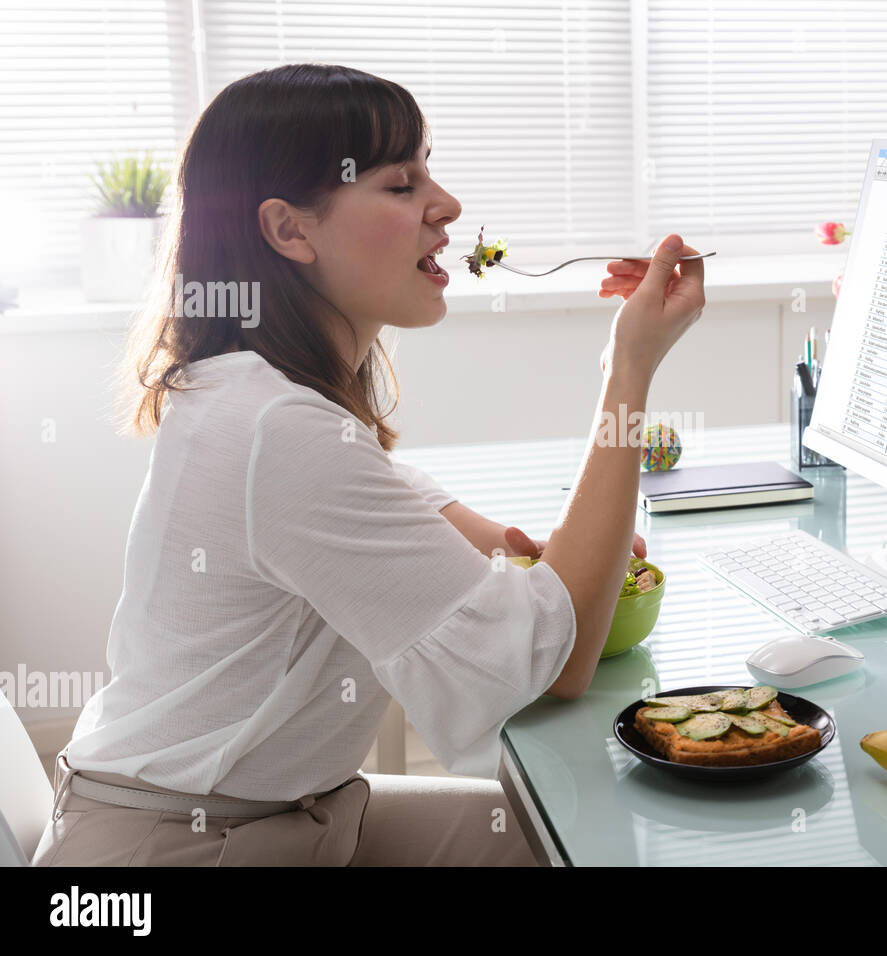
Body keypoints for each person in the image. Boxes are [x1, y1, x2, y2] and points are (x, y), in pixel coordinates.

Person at [31, 63, 705, 867]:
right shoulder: (273, 429)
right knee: (585, 843)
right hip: (173, 850)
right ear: (290, 230)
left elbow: (515, 563)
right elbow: (554, 661)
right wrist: (627, 371)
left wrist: (572, 564)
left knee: (559, 838)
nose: (447, 206)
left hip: (290, 814)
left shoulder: (270, 398)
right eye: (400, 183)